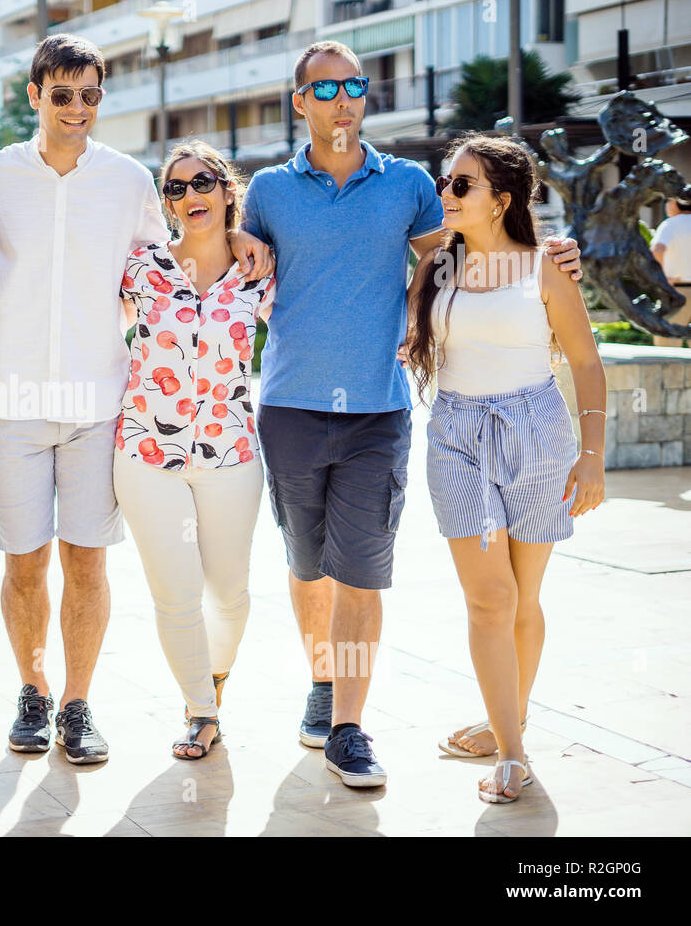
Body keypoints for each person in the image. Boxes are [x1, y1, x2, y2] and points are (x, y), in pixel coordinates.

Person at [241, 41, 581, 788]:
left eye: (354, 85)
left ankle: (349, 727)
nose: (342, 99)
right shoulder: (267, 190)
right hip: (291, 405)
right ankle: (323, 682)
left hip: (380, 410)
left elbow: (459, 256)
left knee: (360, 570)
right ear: (299, 102)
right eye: (324, 88)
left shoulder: (407, 185)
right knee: (308, 566)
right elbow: (232, 259)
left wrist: (546, 259)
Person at [0, 34, 271, 764]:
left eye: (90, 95)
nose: (77, 107)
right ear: (35, 95)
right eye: (62, 94)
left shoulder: (130, 180)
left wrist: (240, 233)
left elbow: (169, 263)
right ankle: (32, 692)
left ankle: (77, 705)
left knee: (87, 562)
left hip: (101, 404)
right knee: (23, 564)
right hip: (12, 402)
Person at [408, 133, 606, 802]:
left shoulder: (546, 268)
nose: (447, 192)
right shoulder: (436, 267)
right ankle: (513, 753)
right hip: (457, 435)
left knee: (524, 596)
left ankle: (506, 722)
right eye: (446, 181)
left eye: (462, 184)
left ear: (502, 200)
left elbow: (585, 362)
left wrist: (592, 457)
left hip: (537, 433)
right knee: (490, 597)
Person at [114, 141, 273, 760]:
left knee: (229, 593)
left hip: (231, 454)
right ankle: (201, 711)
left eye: (202, 182)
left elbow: (311, 319)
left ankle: (215, 679)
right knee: (175, 594)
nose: (190, 196)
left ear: (227, 189)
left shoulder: (258, 268)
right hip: (146, 454)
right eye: (175, 188)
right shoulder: (140, 267)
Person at [652, 197, 691, 347]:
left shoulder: (670, 224)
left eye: (667, 201)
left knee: (667, 348)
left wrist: (662, 278)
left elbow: (657, 250)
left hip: (676, 292)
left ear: (675, 203)